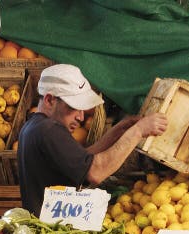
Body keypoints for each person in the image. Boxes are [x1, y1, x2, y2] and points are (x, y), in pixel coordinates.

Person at [18, 63, 168, 214]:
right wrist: (139, 131)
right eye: (73, 107)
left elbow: (82, 161)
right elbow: (95, 172)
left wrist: (119, 130)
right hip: (50, 230)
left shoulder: (34, 127)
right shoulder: (49, 130)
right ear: (50, 100)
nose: (81, 117)